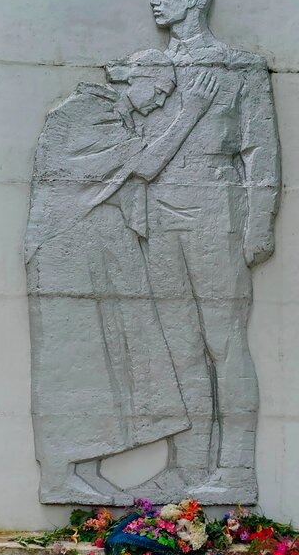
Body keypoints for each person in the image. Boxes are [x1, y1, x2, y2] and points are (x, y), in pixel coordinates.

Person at [25, 49, 217, 503]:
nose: (160, 104)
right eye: (161, 93)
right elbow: (146, 164)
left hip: (93, 249)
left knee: (106, 365)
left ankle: (84, 467)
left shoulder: (112, 115)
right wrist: (190, 113)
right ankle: (57, 473)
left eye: (171, 98)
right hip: (65, 251)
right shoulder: (87, 114)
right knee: (74, 365)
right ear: (140, 79)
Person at [135, 0, 281, 502]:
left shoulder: (239, 68)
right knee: (180, 347)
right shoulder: (148, 68)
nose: (154, 0)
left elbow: (260, 149)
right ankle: (188, 466)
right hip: (162, 214)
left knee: (224, 341)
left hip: (217, 209)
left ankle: (237, 469)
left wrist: (259, 223)